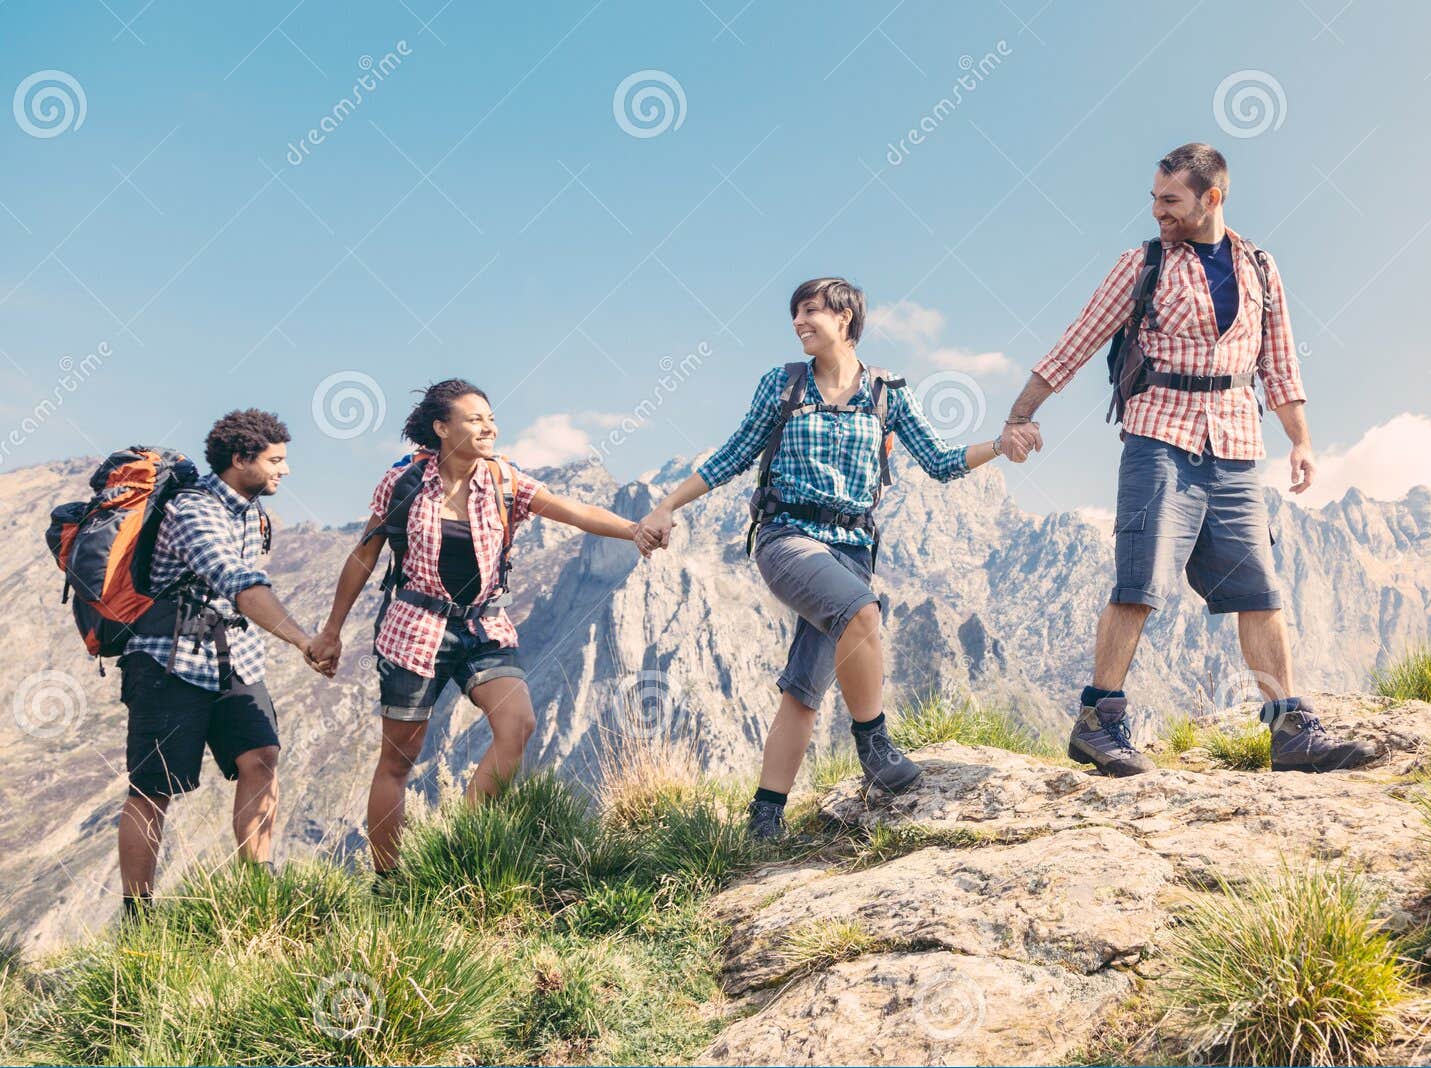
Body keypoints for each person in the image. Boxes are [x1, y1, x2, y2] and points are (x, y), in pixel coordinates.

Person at [999, 143, 1377, 776]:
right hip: (1159, 437)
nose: (1158, 211)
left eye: (1170, 200)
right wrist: (1020, 414)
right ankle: (1097, 724)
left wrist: (1301, 441)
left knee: (1260, 591)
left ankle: (1290, 731)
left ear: (1212, 197)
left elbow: (1280, 363)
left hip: (1236, 446)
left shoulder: (1260, 268)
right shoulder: (1141, 264)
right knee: (1139, 584)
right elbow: (1077, 341)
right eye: (1154, 198)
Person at [636, 277, 1010, 840]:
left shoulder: (887, 393)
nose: (798, 322)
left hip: (853, 550)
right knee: (862, 611)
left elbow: (939, 461)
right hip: (787, 538)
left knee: (804, 690)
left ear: (845, 317)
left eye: (810, 310)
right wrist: (667, 504)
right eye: (795, 313)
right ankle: (874, 745)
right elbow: (733, 455)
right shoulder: (783, 385)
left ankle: (764, 818)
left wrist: (1001, 445)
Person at [308, 379, 655, 879]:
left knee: (518, 724)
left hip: (483, 626)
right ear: (441, 428)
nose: (489, 427)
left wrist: (634, 529)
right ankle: (388, 882)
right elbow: (364, 555)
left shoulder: (504, 481)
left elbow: (575, 512)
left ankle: (462, 852)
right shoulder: (403, 483)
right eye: (474, 419)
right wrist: (332, 630)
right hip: (414, 629)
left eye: (491, 418)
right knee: (398, 762)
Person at [118, 409, 333, 921]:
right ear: (240, 459)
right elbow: (238, 582)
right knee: (154, 788)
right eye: (275, 461)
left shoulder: (252, 513)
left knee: (262, 756)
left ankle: (258, 894)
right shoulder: (192, 510)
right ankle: (138, 918)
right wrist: (303, 640)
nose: (285, 470)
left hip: (235, 657)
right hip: (168, 662)